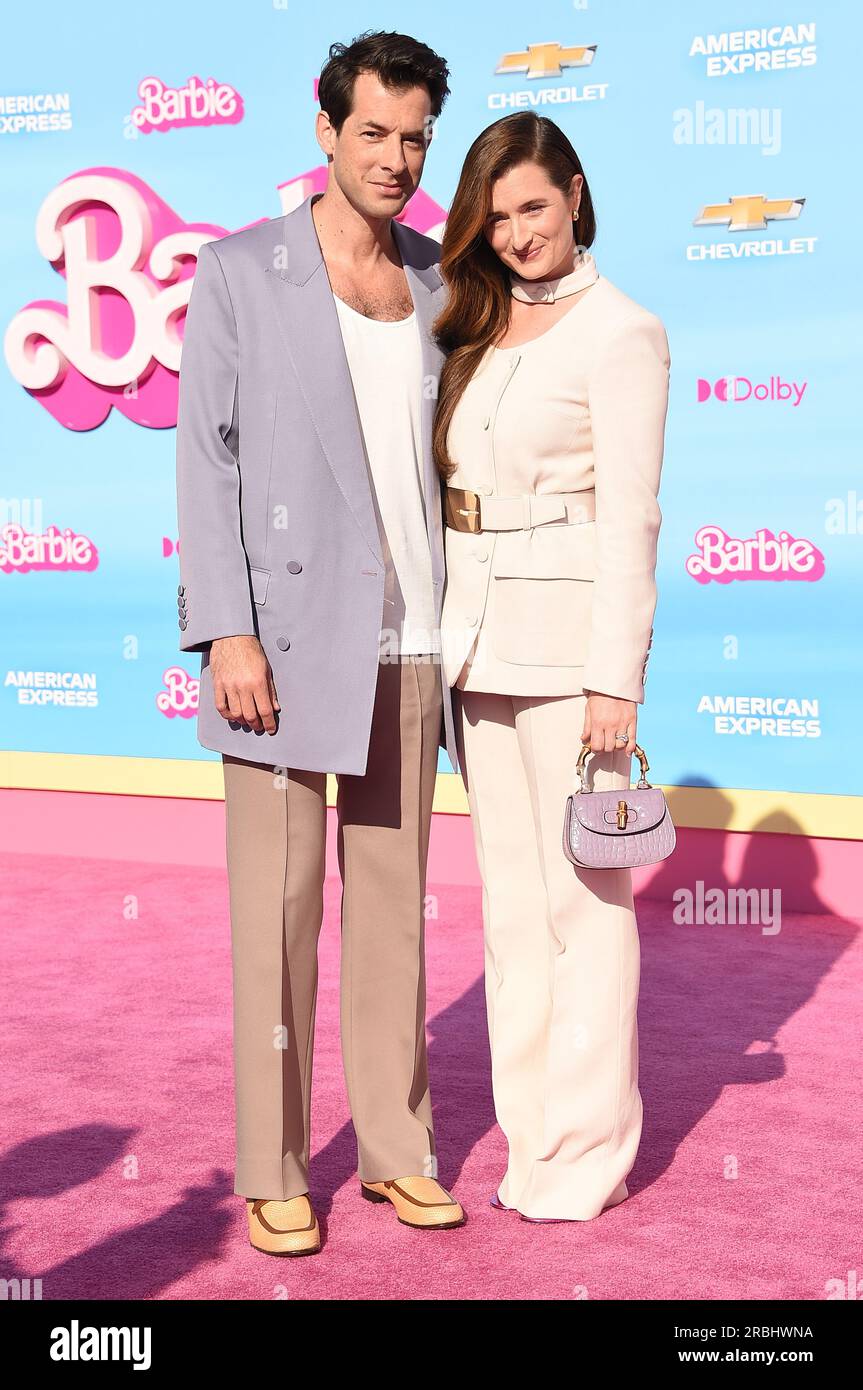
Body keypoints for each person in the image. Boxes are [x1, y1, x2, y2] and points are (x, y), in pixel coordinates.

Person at [175, 31, 466, 1256]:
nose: (394, 159)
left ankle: (397, 1152)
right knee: (278, 920)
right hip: (283, 648)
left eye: (413, 139)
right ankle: (274, 1166)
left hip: (409, 640)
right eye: (373, 134)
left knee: (393, 917)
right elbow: (207, 459)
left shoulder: (442, 281)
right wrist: (226, 631)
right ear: (323, 132)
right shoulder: (242, 271)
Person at [432, 111, 671, 1221]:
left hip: (570, 656)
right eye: (495, 213)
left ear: (573, 195)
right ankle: (531, 1141)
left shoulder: (620, 330)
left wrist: (613, 678)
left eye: (533, 205)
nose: (516, 231)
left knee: (587, 910)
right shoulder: (472, 325)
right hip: (472, 647)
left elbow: (630, 519)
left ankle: (582, 1158)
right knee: (510, 916)